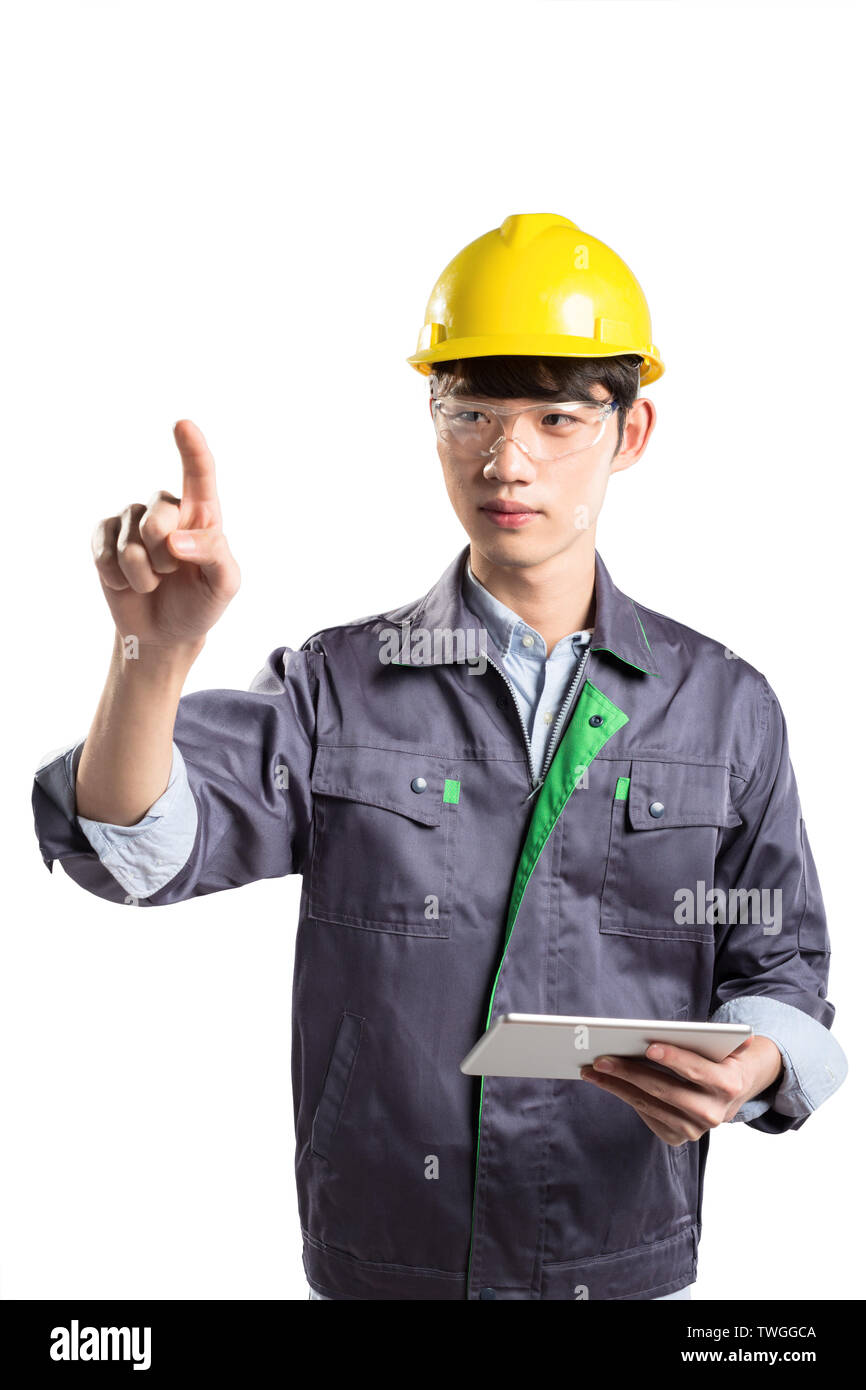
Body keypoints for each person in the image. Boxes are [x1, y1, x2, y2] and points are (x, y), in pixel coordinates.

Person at [32, 212, 846, 1301]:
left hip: (617, 1260)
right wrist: (154, 652)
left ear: (631, 429)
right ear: (433, 422)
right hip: (388, 1261)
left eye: (557, 417)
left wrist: (758, 1062)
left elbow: (780, 964)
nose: (505, 459)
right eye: (469, 413)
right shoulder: (341, 686)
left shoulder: (723, 707)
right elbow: (133, 844)